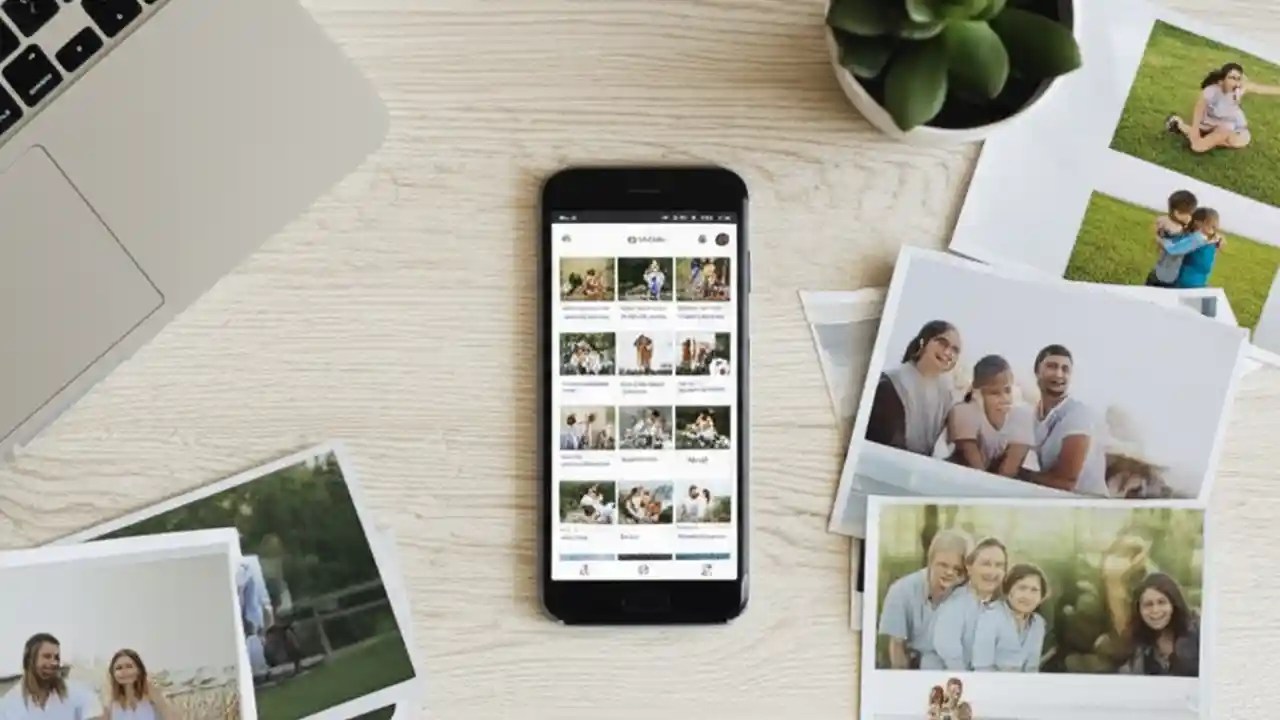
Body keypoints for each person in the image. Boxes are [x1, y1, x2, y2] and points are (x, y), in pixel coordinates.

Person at [1020, 345, 1108, 496]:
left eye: (1065, 369)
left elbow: (1066, 481)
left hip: (1089, 501)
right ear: (1037, 371)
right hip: (1058, 500)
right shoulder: (1034, 415)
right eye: (1052, 366)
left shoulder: (1077, 414)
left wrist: (1019, 475)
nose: (1059, 374)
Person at [878, 529, 973, 669]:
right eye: (943, 565)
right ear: (930, 561)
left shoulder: (968, 594)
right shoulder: (902, 591)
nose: (949, 572)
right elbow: (897, 647)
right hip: (915, 666)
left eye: (957, 569)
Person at [865, 320, 961, 455]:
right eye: (942, 343)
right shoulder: (891, 382)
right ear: (924, 342)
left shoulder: (947, 394)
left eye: (955, 349)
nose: (947, 352)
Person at [946, 354, 1034, 477]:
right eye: (994, 393)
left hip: (997, 479)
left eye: (1007, 390)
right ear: (978, 394)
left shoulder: (1022, 416)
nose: (1004, 398)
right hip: (962, 475)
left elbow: (1009, 470)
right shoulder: (964, 412)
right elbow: (974, 467)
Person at [928, 538, 1009, 671]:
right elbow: (952, 660)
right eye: (986, 564)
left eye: (999, 565)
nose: (992, 572)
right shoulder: (954, 605)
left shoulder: (1002, 606)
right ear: (969, 568)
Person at [1166, 62, 1280, 153]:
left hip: (1229, 125)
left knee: (1240, 141)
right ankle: (1178, 124)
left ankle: (1205, 136)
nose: (1236, 83)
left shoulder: (1240, 88)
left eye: (1238, 78)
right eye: (1232, 78)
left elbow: (1263, 89)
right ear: (1222, 80)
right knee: (1197, 147)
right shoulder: (1211, 90)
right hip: (1209, 121)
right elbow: (1199, 109)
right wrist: (1195, 131)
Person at [1, 633, 102, 720]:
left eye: (56, 658)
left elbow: (96, 711)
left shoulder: (74, 691)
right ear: (29, 660)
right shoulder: (9, 704)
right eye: (47, 656)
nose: (54, 662)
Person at [1119, 573, 1201, 677]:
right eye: (1148, 604)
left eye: (1161, 602)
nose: (1155, 610)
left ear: (1173, 604)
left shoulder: (1199, 632)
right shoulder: (1136, 647)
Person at [972, 563, 1049, 673]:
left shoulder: (1038, 623)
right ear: (1008, 590)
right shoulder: (990, 617)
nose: (1027, 596)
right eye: (1022, 588)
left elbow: (1032, 668)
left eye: (1034, 590)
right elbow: (982, 667)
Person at [1145, 189, 1198, 288]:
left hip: (1169, 273)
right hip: (1163, 271)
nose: (1190, 217)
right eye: (1189, 214)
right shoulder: (1168, 224)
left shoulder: (1187, 228)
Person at [102, 650, 176, 720]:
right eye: (119, 668)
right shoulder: (111, 703)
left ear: (139, 670)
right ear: (113, 674)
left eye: (129, 666)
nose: (124, 672)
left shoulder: (151, 694)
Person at [1173, 208, 1225, 289]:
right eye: (1210, 227)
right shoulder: (1192, 238)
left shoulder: (1210, 240)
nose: (1212, 231)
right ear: (1198, 223)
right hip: (1186, 282)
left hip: (1199, 281)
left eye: (1214, 227)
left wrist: (1217, 240)